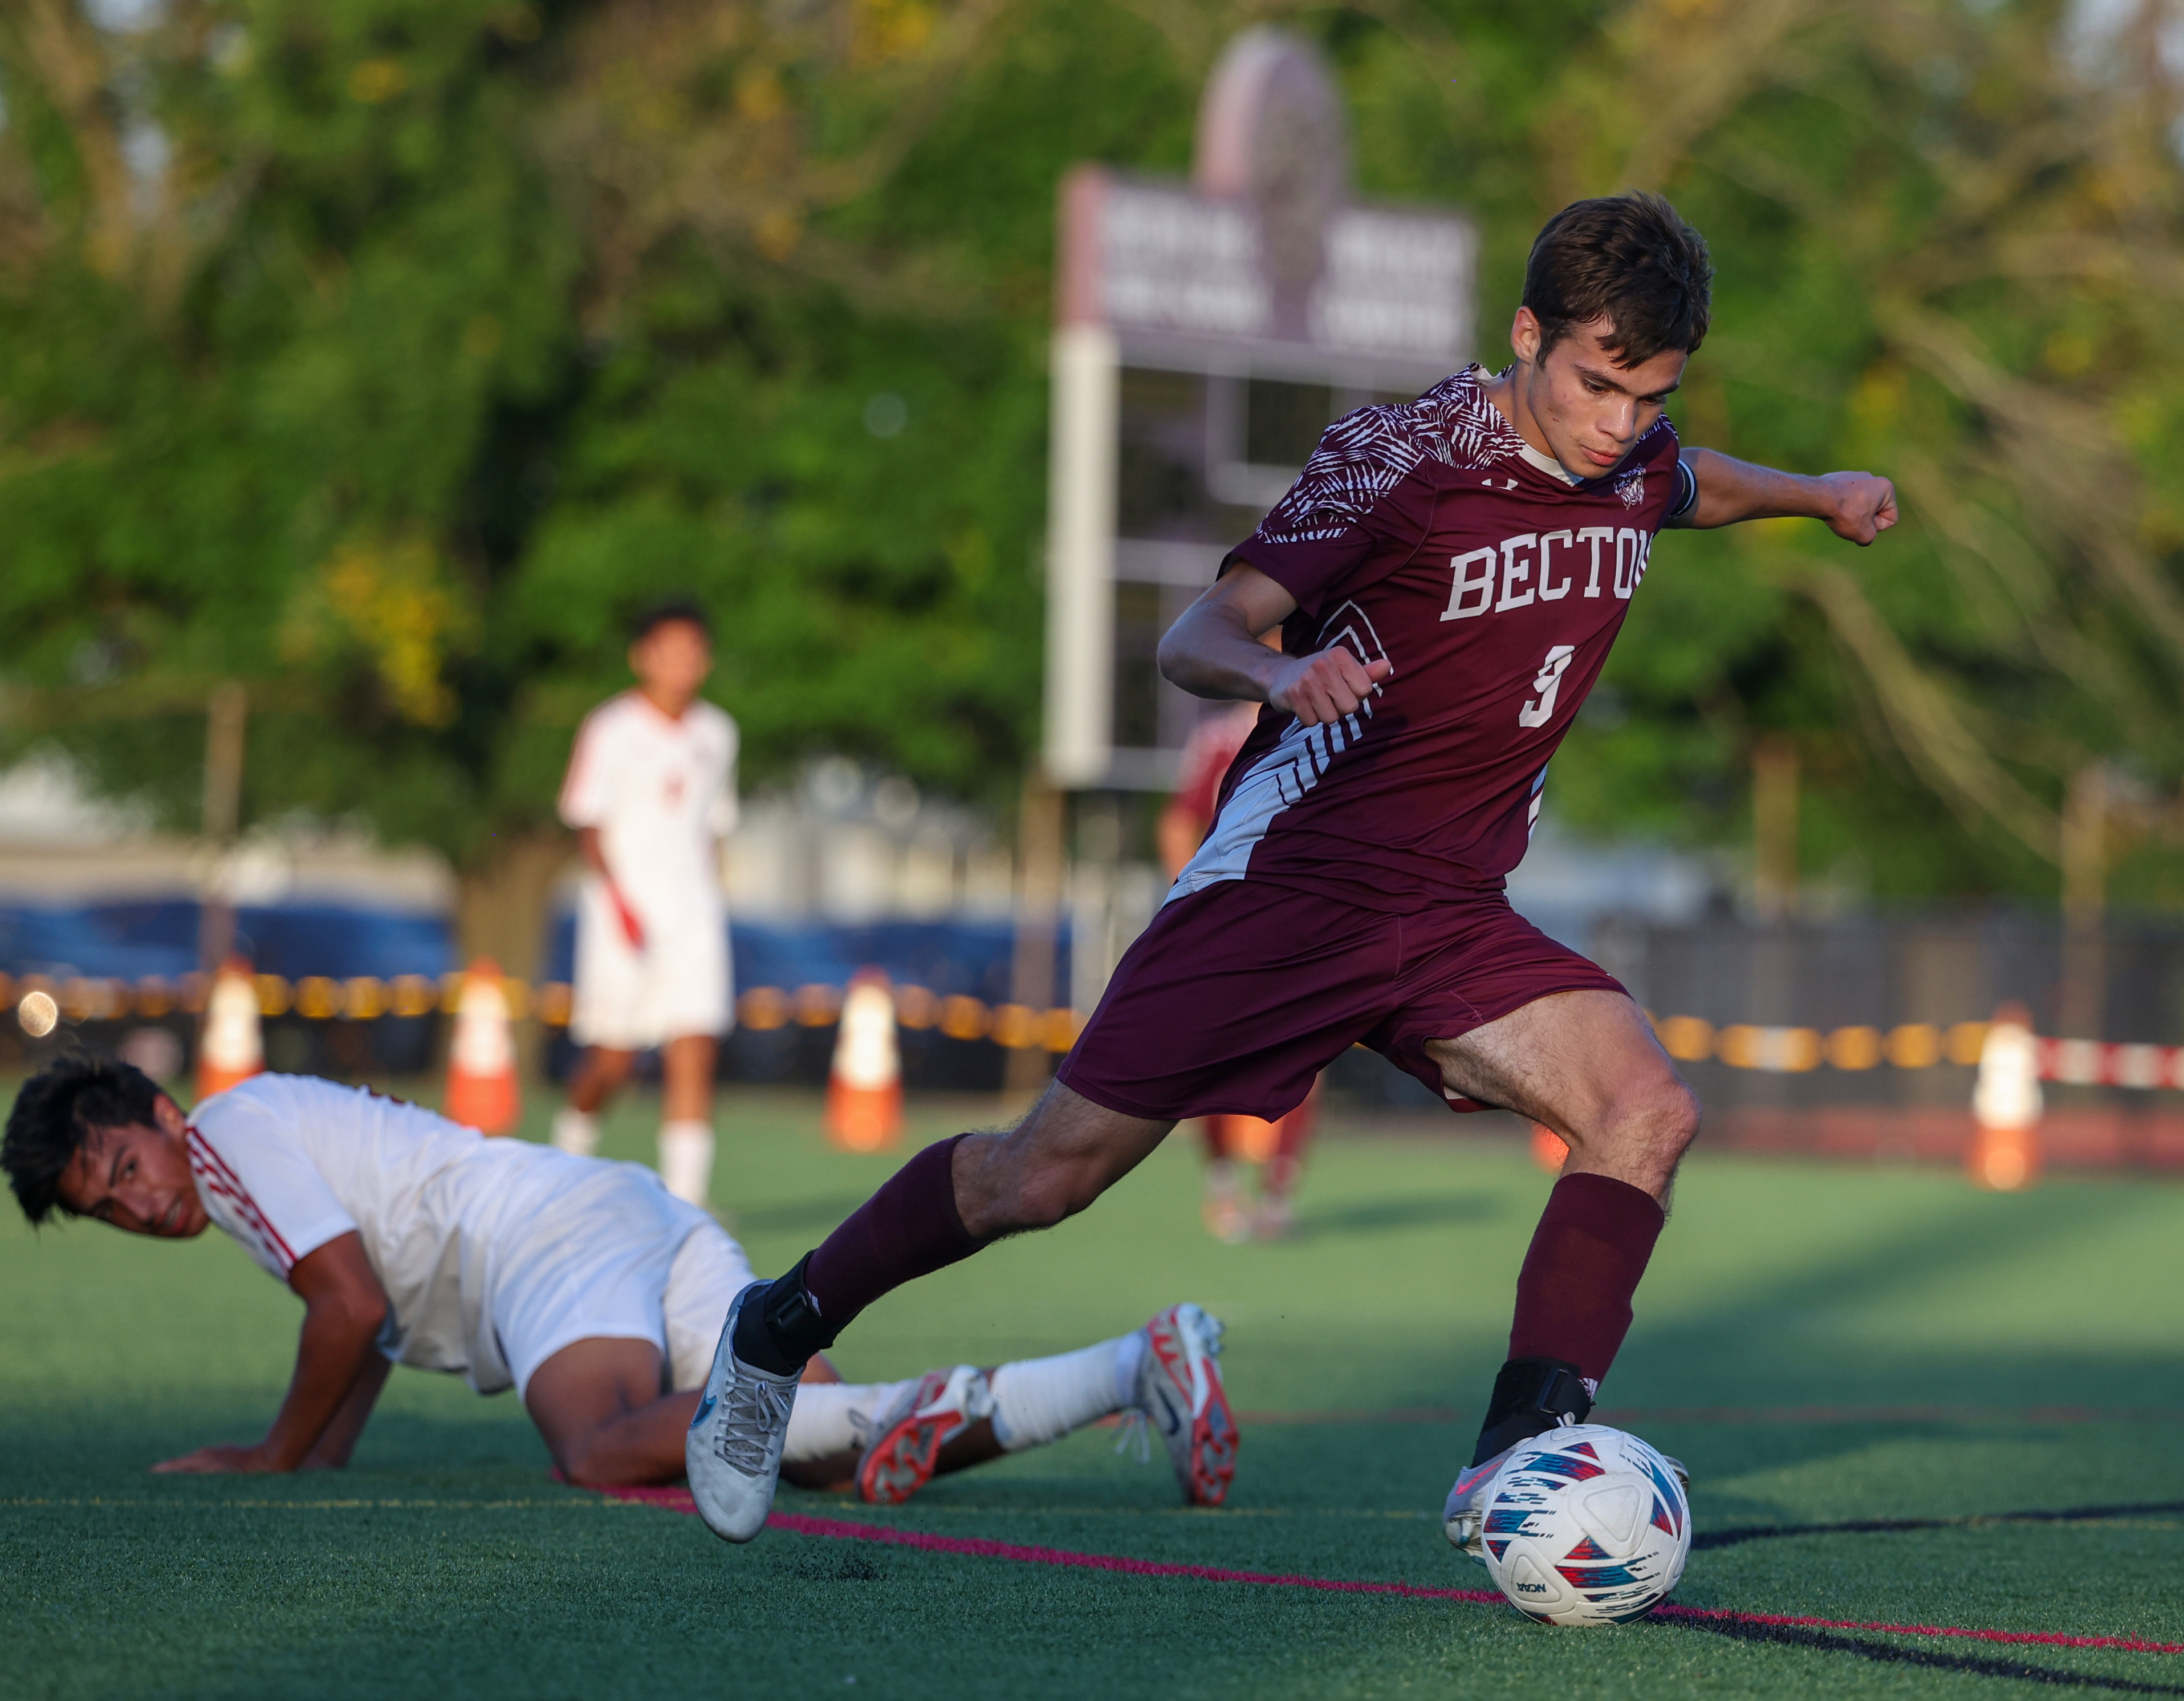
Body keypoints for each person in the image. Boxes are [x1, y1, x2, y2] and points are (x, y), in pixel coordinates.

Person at [682, 191, 1900, 1550]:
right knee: (1043, 1177)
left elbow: (1688, 481)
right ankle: (772, 1330)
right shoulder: (1400, 458)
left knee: (1645, 1109)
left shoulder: (1632, 456)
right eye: (1596, 386)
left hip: (1449, 911)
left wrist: (1816, 496)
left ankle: (1514, 1462)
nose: (1620, 424)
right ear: (1525, 334)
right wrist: (1278, 672)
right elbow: (1195, 635)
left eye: (1648, 396)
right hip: (1290, 887)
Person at [0, 1056, 1238, 1510]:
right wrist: (322, 1451)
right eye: (105, 1207)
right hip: (635, 1214)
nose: (136, 1203)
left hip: (546, 1233)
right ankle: (1137, 1368)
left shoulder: (225, 1133)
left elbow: (352, 1305)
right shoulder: (240, 1154)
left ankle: (894, 1404)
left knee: (595, 1449)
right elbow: (363, 1314)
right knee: (822, 1455)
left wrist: (272, 1458)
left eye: (122, 1165)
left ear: (164, 1115)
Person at [551, 598, 735, 1206]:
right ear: (643, 657)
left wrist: (713, 900)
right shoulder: (611, 728)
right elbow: (588, 822)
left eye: (693, 652)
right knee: (614, 1062)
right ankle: (565, 1161)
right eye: (669, 651)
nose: (682, 664)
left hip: (694, 916)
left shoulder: (718, 733)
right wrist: (620, 901)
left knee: (694, 1048)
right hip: (623, 914)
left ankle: (687, 1202)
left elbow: (714, 827)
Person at [1158, 702, 1321, 1243]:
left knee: (1304, 1057)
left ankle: (1275, 1196)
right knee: (1210, 1059)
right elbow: (1177, 823)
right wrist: (1194, 900)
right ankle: (1226, 1187)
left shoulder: (1332, 721)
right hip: (1231, 917)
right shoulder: (1222, 737)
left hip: (1297, 918)